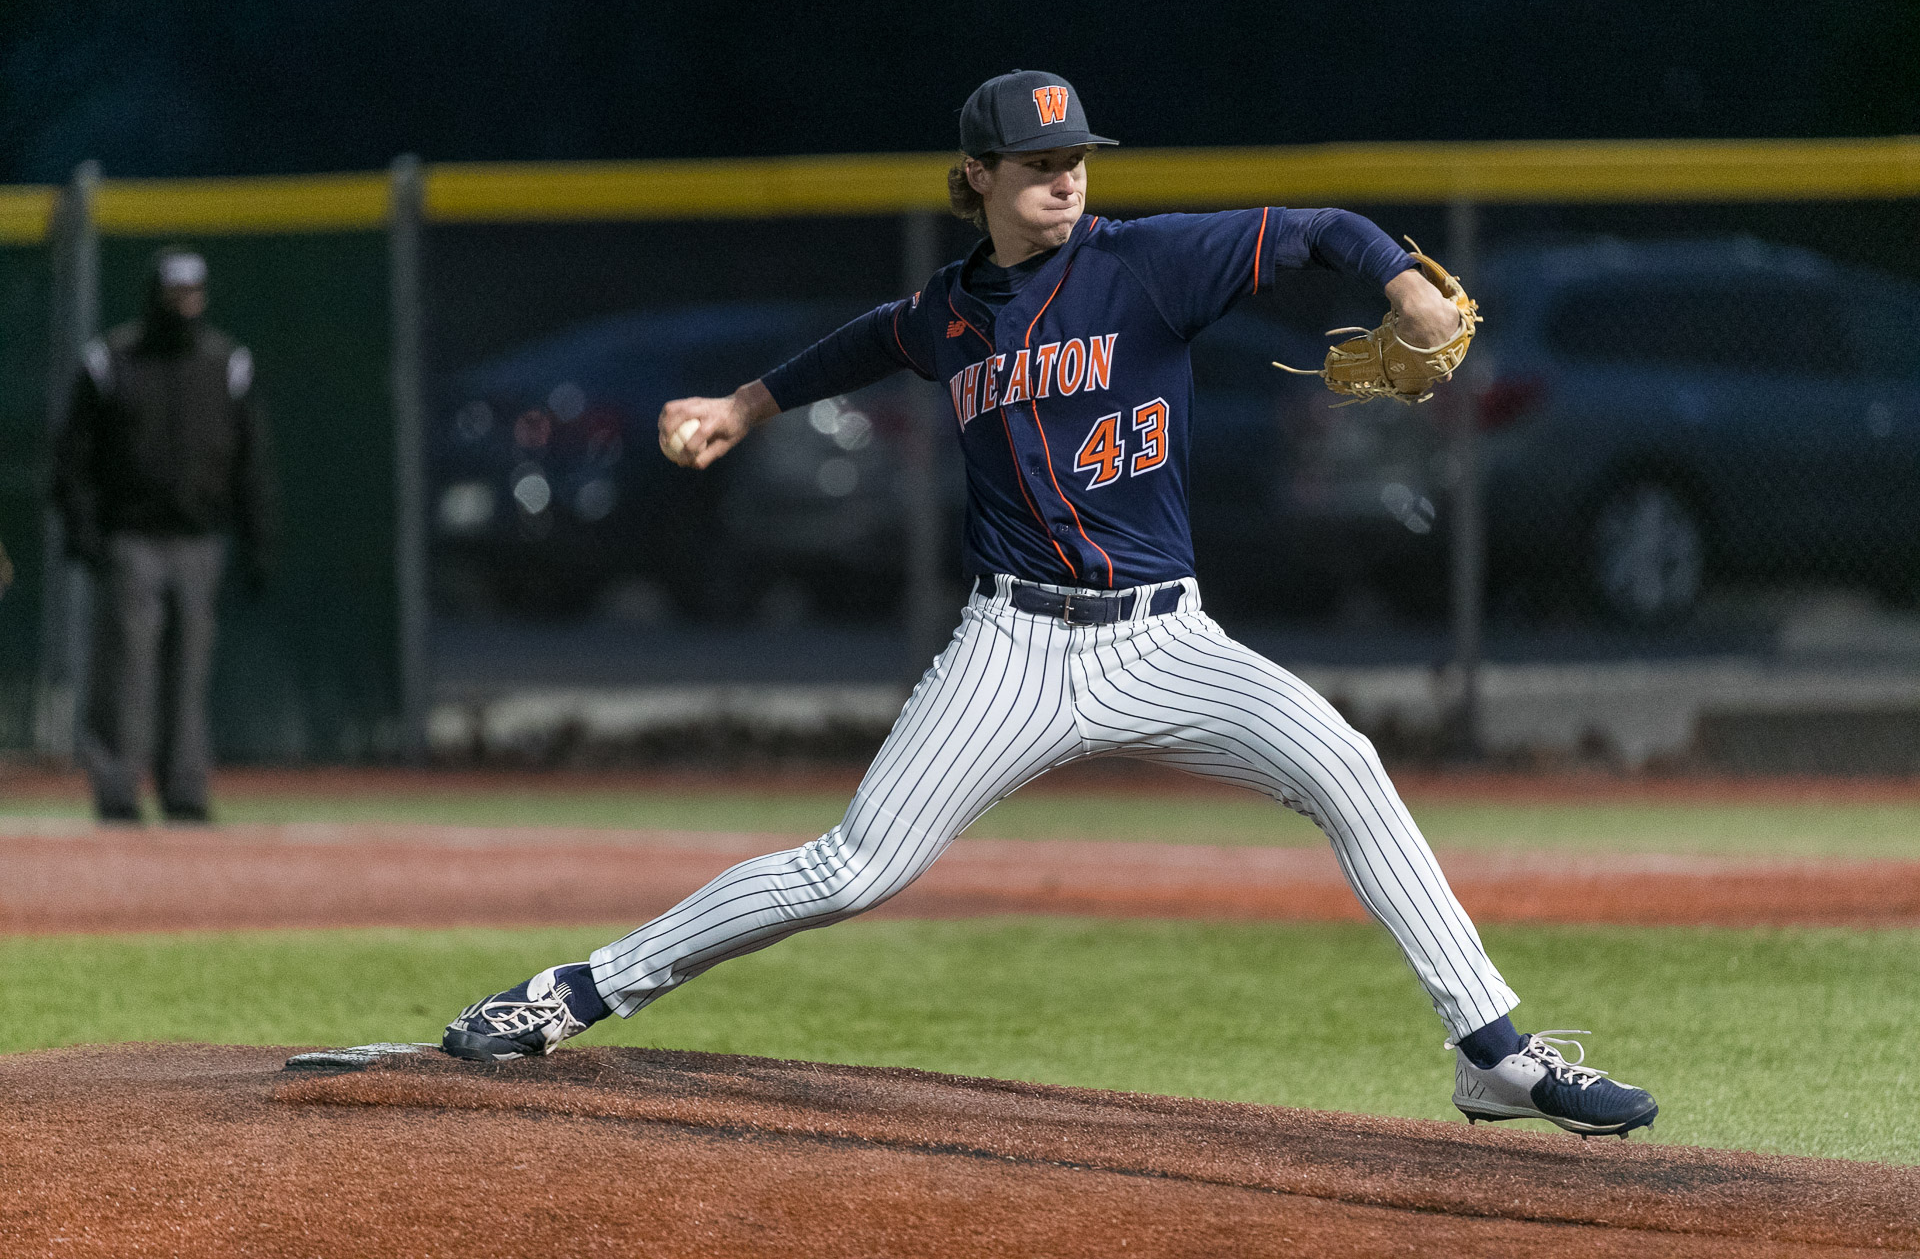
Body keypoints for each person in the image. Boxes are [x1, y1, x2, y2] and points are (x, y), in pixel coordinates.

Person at [444, 71, 1657, 1138]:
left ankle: (1492, 1051)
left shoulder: (1147, 264)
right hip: (1011, 647)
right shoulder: (951, 310)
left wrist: (1405, 283)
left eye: (1075, 156)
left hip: (1167, 637)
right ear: (977, 176)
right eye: (1037, 162)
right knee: (853, 868)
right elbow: (870, 342)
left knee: (1345, 762)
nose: (1065, 178)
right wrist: (744, 406)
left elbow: (1321, 228)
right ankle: (573, 991)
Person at [53, 247, 274, 824]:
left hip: (200, 539)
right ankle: (118, 790)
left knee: (190, 672)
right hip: (131, 539)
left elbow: (251, 461)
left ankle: (186, 791)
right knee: (126, 671)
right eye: (175, 293)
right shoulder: (111, 361)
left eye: (193, 293)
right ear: (155, 294)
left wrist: (257, 538)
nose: (184, 304)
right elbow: (72, 458)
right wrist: (85, 532)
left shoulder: (226, 363)